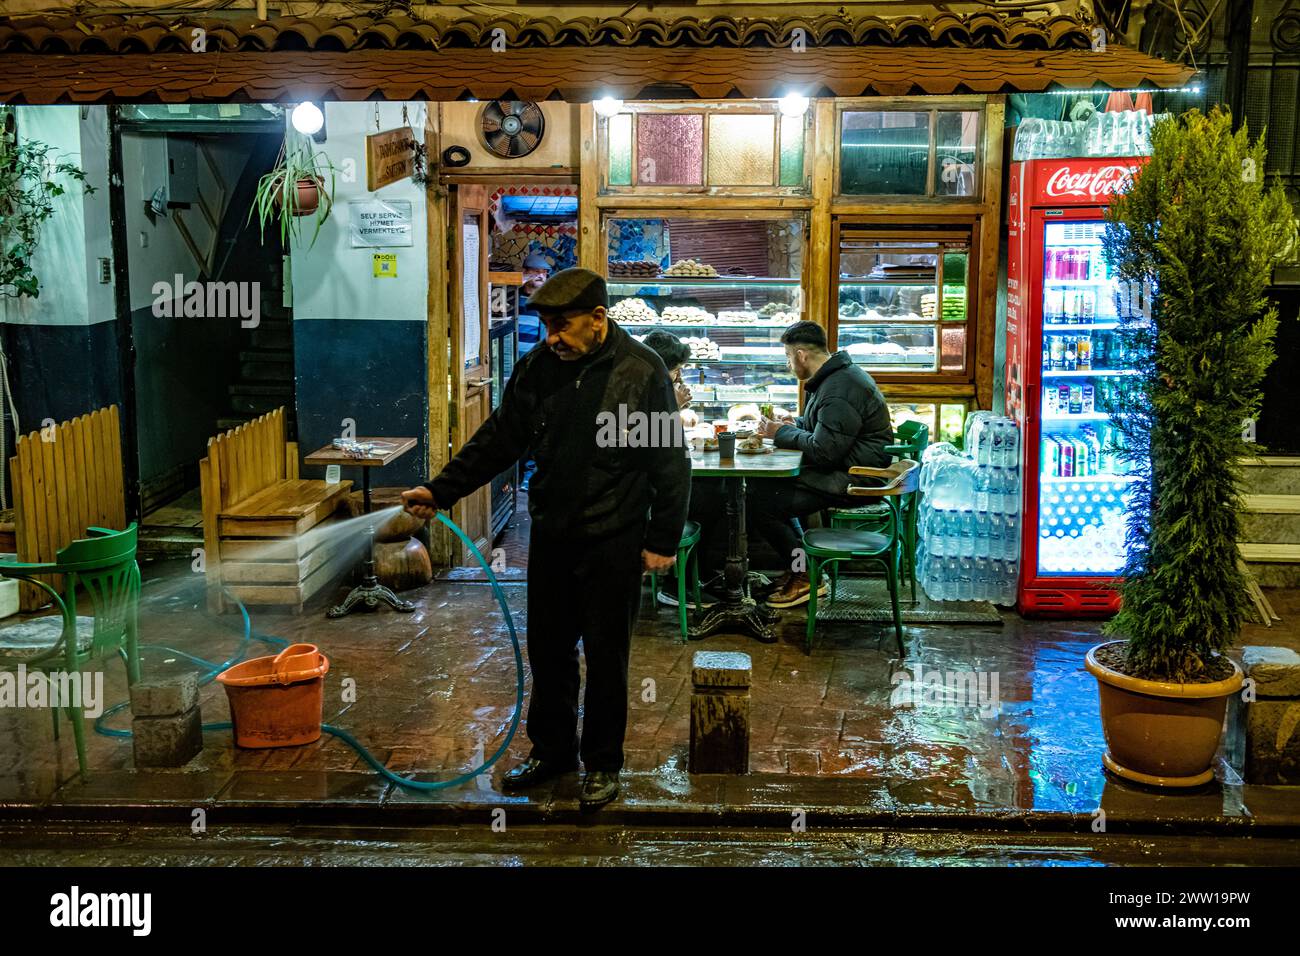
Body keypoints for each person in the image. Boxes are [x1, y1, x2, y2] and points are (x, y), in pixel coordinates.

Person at [402, 268, 689, 810]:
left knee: (607, 658)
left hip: (614, 539)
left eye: (563, 325)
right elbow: (499, 438)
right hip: (553, 537)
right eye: (547, 325)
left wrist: (662, 539)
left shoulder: (642, 372)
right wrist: (441, 490)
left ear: (599, 319)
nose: (552, 337)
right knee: (549, 652)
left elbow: (670, 462)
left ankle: (603, 764)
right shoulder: (539, 368)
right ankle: (553, 751)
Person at [750, 320, 894, 608]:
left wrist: (781, 433)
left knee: (758, 502)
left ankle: (804, 575)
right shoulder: (835, 378)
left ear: (801, 354)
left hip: (856, 478)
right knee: (763, 491)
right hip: (845, 469)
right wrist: (796, 423)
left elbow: (826, 451)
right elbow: (828, 430)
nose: (789, 365)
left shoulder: (840, 388)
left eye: (788, 357)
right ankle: (800, 569)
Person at [639, 330, 724, 610]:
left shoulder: (652, 384)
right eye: (677, 370)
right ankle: (676, 585)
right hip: (640, 493)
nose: (679, 377)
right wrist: (671, 407)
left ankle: (700, 576)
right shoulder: (642, 388)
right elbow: (643, 438)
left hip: (649, 484)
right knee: (710, 499)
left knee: (714, 494)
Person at [515, 251, 554, 357]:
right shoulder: (512, 298)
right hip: (510, 360)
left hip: (535, 361)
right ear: (525, 273)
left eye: (544, 272)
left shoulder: (549, 303)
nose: (541, 276)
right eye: (536, 271)